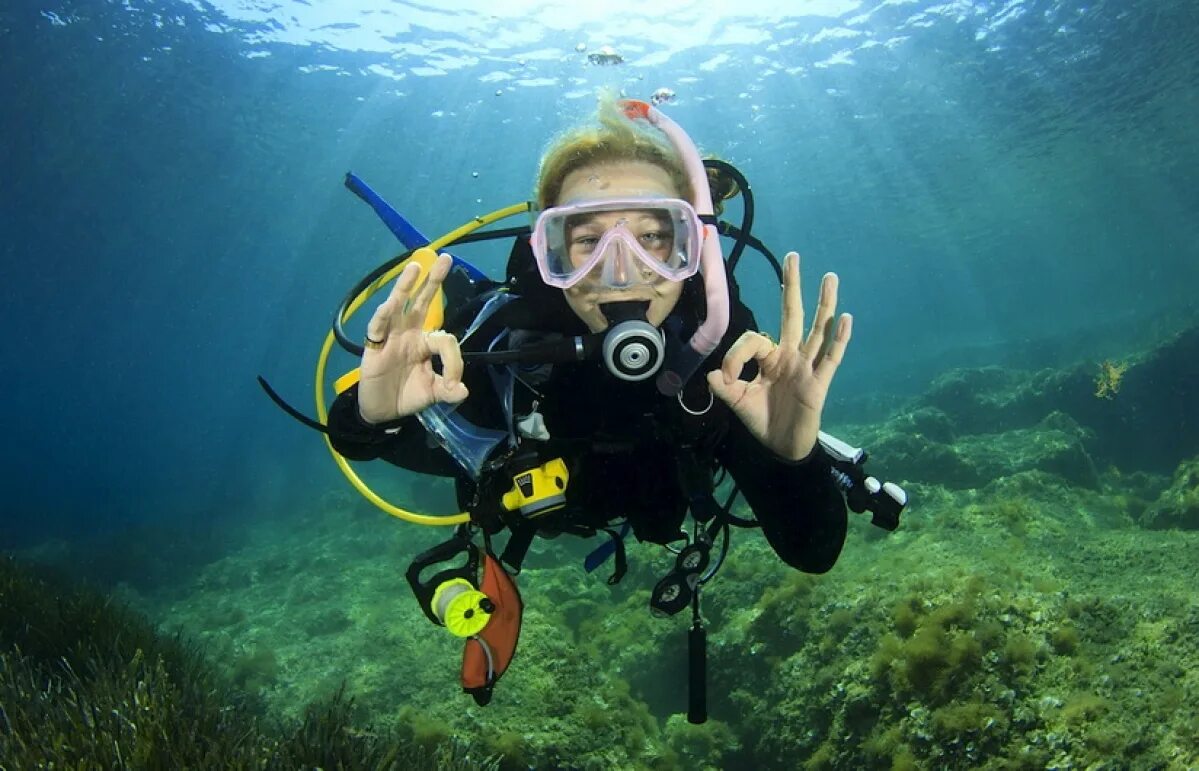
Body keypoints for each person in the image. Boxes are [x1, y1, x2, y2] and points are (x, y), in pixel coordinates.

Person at [313, 96, 873, 713]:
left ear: (695, 249)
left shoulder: (726, 369)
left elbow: (813, 551)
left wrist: (791, 455)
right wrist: (375, 413)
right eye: (587, 241)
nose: (622, 272)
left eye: (655, 237)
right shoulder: (510, 352)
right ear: (547, 255)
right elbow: (358, 440)